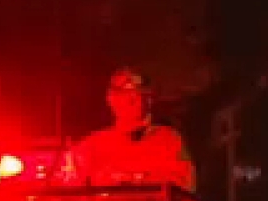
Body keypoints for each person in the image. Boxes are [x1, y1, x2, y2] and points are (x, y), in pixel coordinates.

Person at [63, 68, 197, 192]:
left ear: (149, 100)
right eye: (124, 93)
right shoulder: (92, 146)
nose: (131, 99)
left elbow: (185, 184)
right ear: (110, 99)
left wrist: (135, 179)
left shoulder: (169, 140)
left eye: (139, 93)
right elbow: (67, 188)